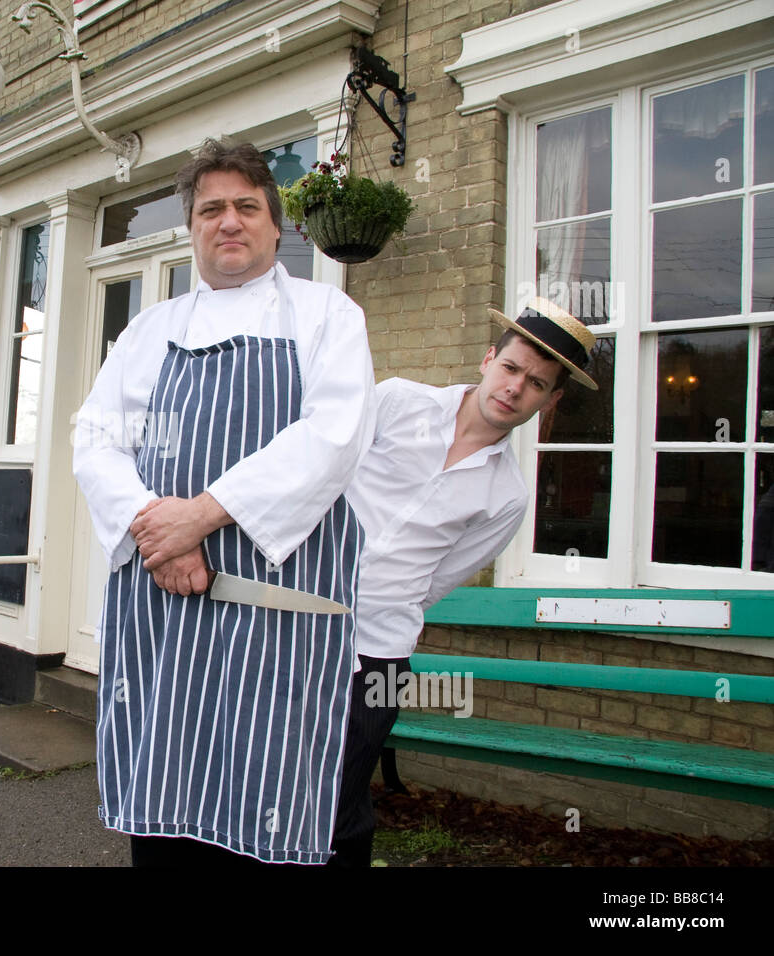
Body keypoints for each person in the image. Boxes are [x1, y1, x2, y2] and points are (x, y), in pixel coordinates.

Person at [72, 138, 376, 865]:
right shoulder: (148, 331)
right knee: (167, 792)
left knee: (270, 790)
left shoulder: (328, 315)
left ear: (277, 226)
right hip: (164, 608)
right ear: (193, 229)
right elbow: (95, 440)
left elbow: (333, 437)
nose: (229, 221)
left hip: (279, 611)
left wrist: (198, 516)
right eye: (211, 209)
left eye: (246, 206)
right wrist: (160, 536)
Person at [327, 297, 599, 867]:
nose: (515, 388)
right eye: (511, 368)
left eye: (536, 383)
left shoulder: (507, 495)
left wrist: (381, 600)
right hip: (300, 619)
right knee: (267, 785)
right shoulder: (398, 400)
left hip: (377, 654)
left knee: (342, 803)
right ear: (487, 359)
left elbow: (437, 581)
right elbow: (321, 477)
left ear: (550, 400)